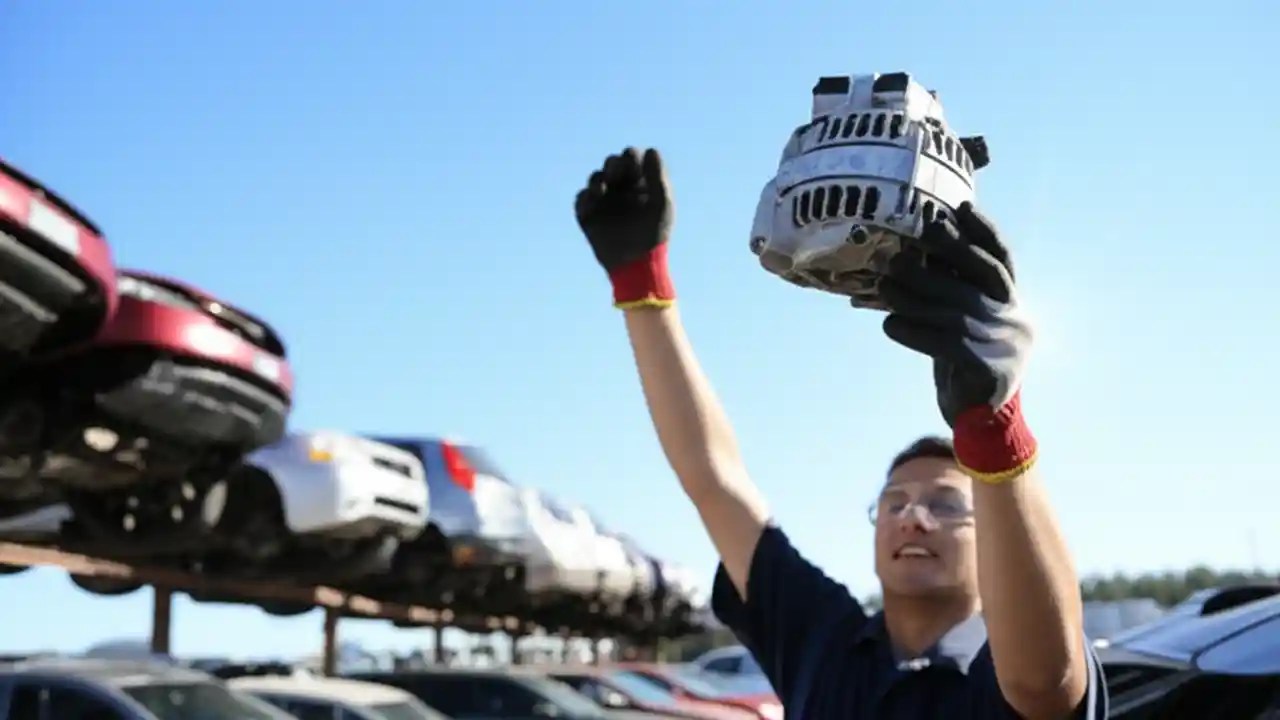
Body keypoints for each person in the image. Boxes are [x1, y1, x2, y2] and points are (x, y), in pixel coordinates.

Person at [572, 147, 1108, 719]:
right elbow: (714, 480)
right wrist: (641, 285)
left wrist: (993, 429)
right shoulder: (823, 640)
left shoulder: (1005, 662)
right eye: (894, 501)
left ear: (995, 538)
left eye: (948, 504)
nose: (913, 517)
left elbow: (1044, 683)